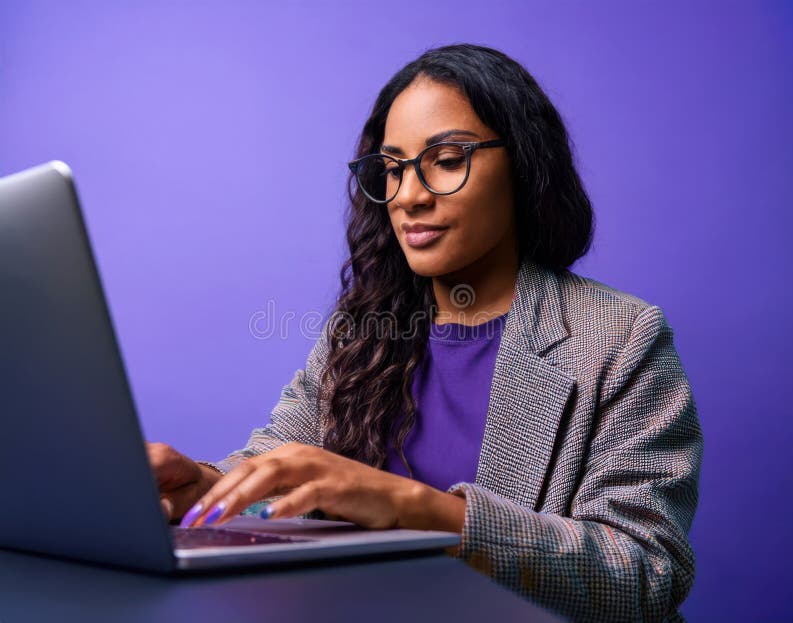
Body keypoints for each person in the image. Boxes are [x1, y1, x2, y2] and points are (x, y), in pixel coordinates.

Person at [148, 43, 703, 623]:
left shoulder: (620, 339)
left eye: (445, 158)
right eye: (392, 168)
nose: (409, 195)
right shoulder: (362, 329)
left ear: (523, 164)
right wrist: (204, 487)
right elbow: (281, 464)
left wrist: (412, 507)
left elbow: (646, 573)